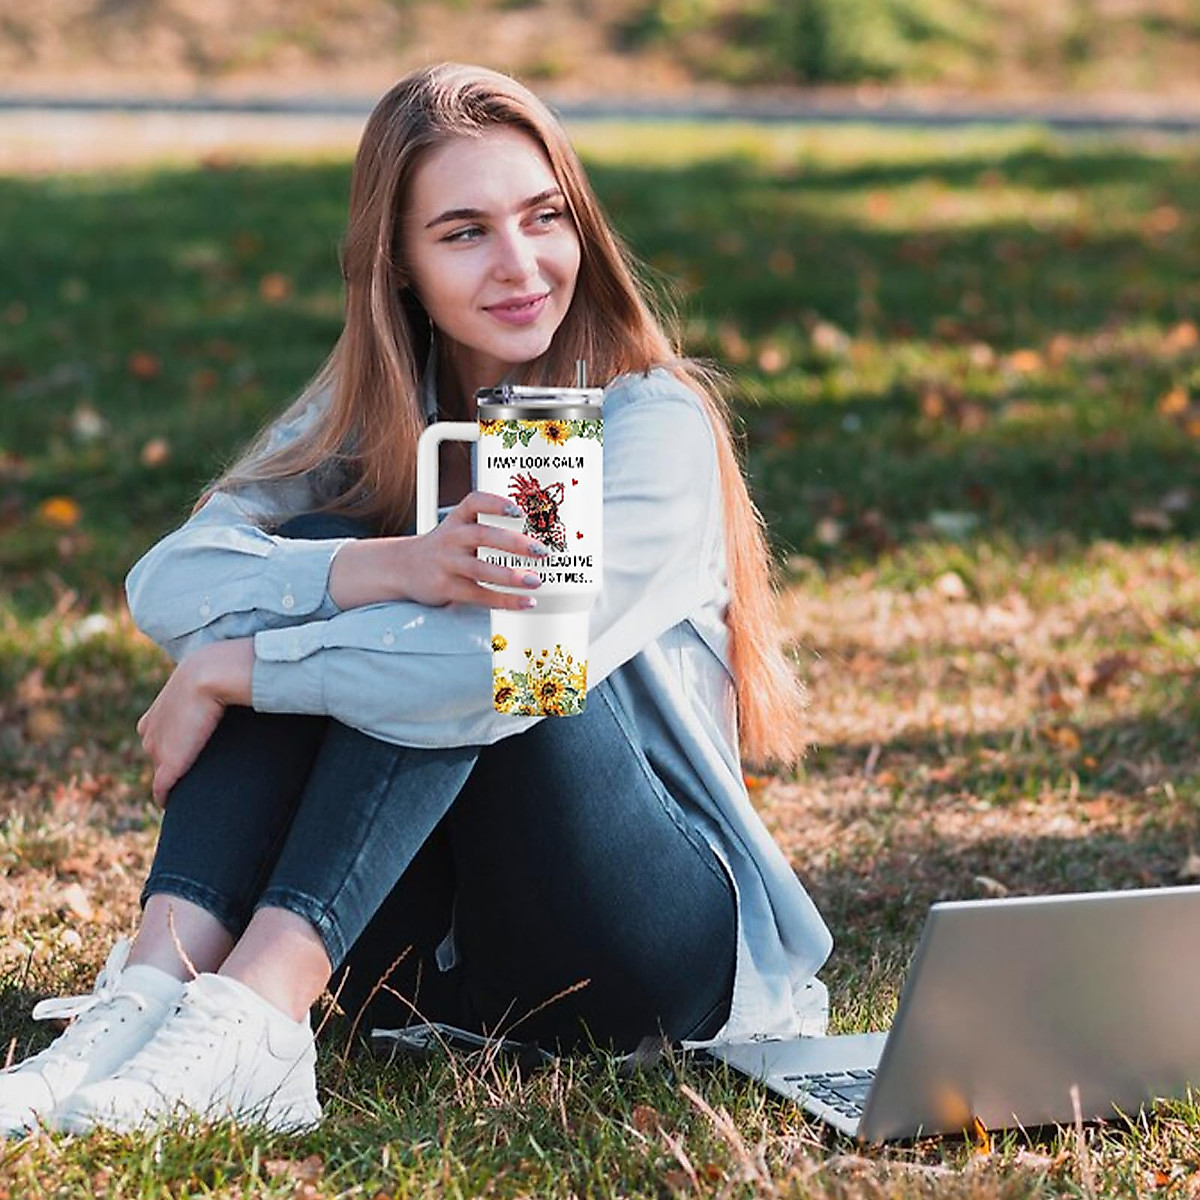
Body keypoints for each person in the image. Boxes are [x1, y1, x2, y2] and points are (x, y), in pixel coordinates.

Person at [0, 62, 832, 1138]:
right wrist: (385, 566)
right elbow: (171, 583)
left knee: (473, 610)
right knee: (326, 552)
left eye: (545, 217)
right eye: (465, 232)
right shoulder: (377, 412)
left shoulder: (644, 420)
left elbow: (499, 682)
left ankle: (260, 1009)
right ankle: (150, 998)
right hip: (429, 976)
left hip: (644, 950)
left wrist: (239, 668)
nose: (522, 265)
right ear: (396, 262)